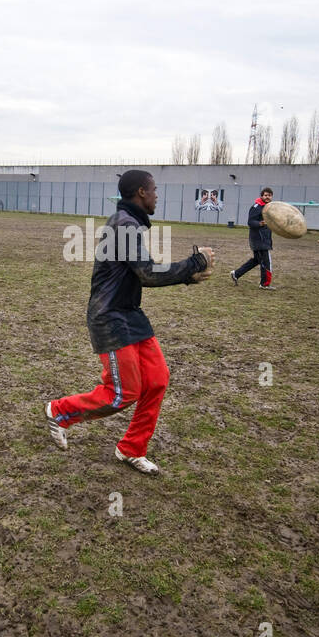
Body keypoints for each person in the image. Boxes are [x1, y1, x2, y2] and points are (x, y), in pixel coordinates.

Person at [44, 170, 214, 475]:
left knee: (158, 378)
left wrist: (188, 275)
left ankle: (132, 448)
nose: (157, 195)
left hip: (129, 314)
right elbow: (147, 273)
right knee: (123, 393)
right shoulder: (124, 225)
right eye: (155, 190)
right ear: (141, 193)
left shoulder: (129, 223)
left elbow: (141, 273)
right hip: (110, 318)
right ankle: (58, 412)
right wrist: (194, 263)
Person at [230, 188, 274, 289]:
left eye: (270, 195)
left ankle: (236, 274)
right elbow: (250, 222)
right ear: (262, 196)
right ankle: (264, 284)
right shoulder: (257, 207)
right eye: (266, 195)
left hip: (264, 239)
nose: (267, 197)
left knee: (257, 260)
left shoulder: (268, 207)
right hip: (259, 240)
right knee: (266, 262)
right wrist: (260, 223)